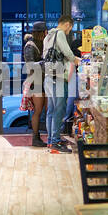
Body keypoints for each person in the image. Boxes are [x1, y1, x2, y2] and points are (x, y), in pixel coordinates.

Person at [42, 15, 77, 153]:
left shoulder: (48, 36)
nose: (69, 31)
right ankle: (56, 142)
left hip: (48, 77)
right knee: (59, 110)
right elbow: (67, 52)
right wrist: (76, 60)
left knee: (51, 110)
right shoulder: (60, 33)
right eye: (70, 28)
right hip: (58, 77)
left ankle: (51, 140)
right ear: (68, 24)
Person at [21, 21, 48, 147]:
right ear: (41, 33)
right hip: (35, 82)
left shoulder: (42, 43)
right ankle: (35, 138)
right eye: (45, 31)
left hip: (43, 80)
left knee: (45, 110)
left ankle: (48, 137)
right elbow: (30, 65)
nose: (46, 33)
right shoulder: (30, 46)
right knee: (37, 111)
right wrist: (45, 64)